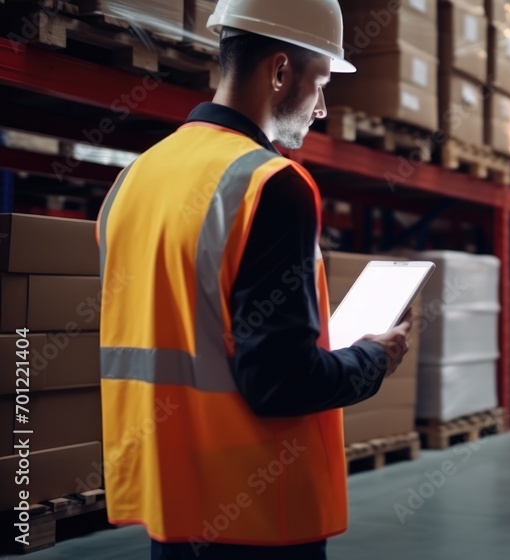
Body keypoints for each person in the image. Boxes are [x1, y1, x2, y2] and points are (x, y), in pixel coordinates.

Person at [95, 1, 410, 558]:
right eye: (319, 84)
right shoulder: (271, 185)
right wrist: (372, 360)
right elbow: (280, 382)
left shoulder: (134, 180)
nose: (321, 109)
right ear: (280, 70)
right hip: (256, 513)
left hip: (172, 509)